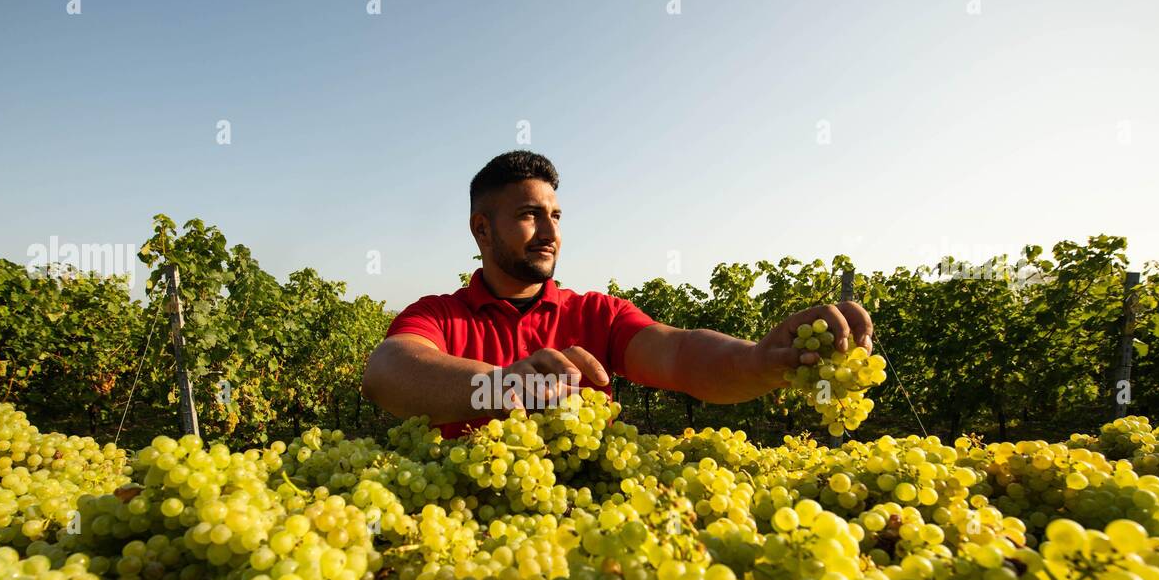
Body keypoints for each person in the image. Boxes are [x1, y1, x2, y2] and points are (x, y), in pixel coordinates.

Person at [361, 151, 874, 438]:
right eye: (527, 215)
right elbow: (387, 373)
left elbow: (680, 354)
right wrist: (505, 387)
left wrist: (762, 360)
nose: (548, 232)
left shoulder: (596, 314)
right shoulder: (440, 316)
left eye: (555, 216)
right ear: (482, 229)